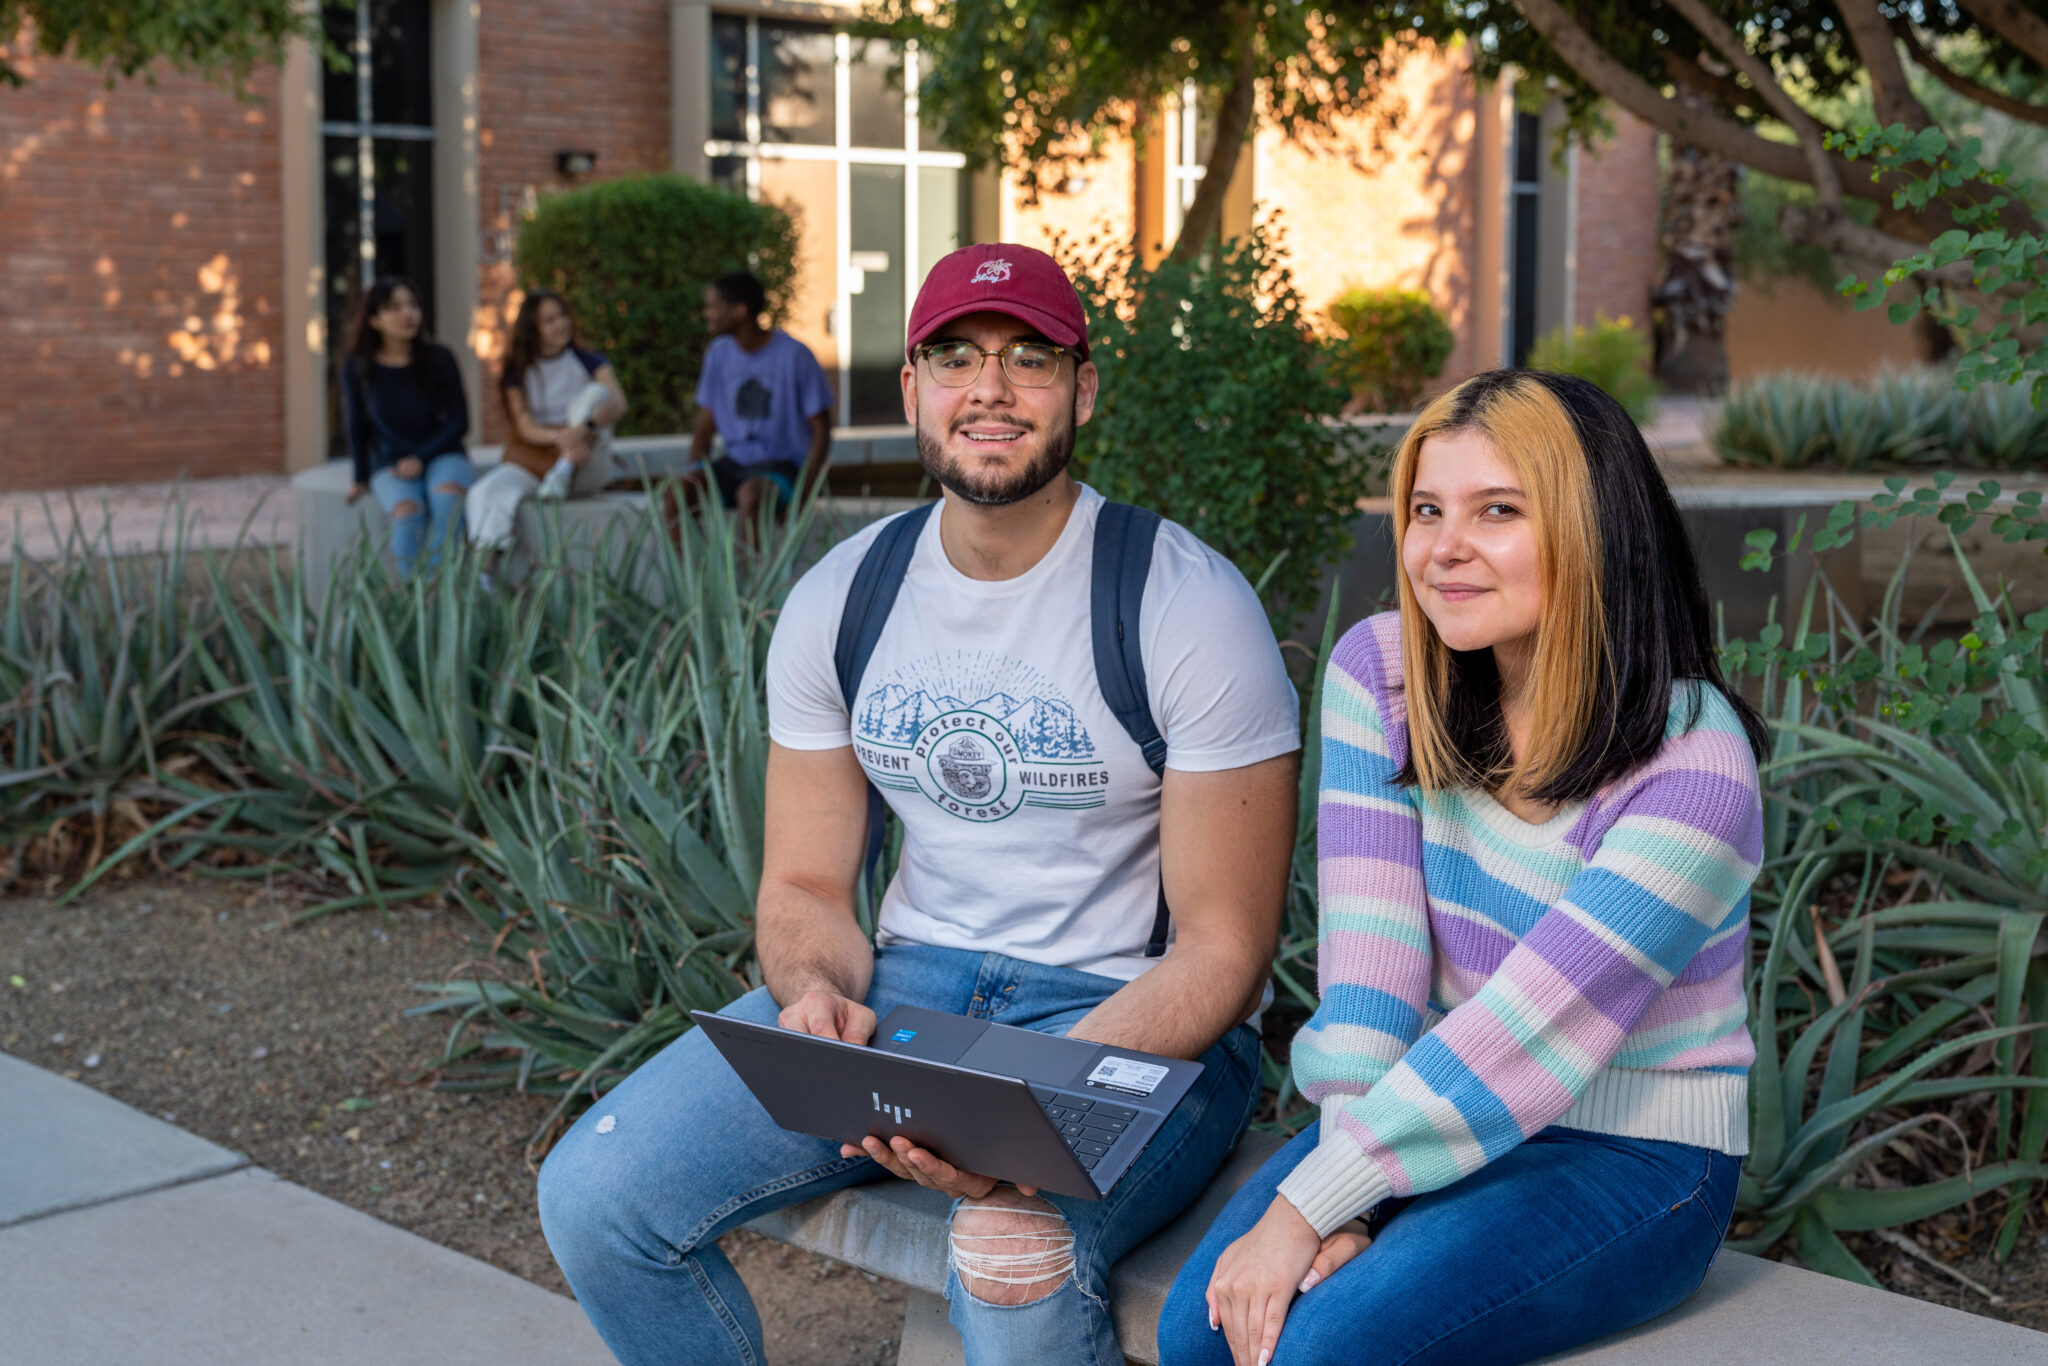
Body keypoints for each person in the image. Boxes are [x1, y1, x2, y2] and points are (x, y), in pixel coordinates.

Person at [536, 244, 1303, 1366]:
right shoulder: (842, 597)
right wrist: (810, 997)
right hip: (909, 992)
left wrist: (1022, 1106)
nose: (987, 389)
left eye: (1026, 357)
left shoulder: (1180, 602)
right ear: (910, 392)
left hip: (1127, 1016)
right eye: (953, 357)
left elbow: (1223, 950)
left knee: (1009, 1253)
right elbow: (803, 885)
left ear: (1081, 388)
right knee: (597, 1191)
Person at [1158, 369, 1771, 1366]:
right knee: (1204, 1334)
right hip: (1424, 1108)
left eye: (1496, 512)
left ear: (1590, 528)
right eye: (1426, 509)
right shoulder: (1382, 674)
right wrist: (1342, 1200)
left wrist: (1312, 1202)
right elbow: (1368, 984)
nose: (1443, 548)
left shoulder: (1693, 763)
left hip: (1631, 1156)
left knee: (1319, 1351)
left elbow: (1521, 1029)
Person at [467, 289, 628, 565]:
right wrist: (562, 437)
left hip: (583, 462)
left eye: (562, 316)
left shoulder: (589, 361)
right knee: (485, 492)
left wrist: (583, 430)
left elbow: (619, 403)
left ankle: (565, 467)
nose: (560, 324)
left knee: (597, 395)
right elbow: (526, 427)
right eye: (549, 320)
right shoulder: (518, 370)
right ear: (533, 328)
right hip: (538, 461)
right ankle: (484, 576)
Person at [339, 276, 474, 576]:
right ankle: (416, 601)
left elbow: (460, 422)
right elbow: (356, 424)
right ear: (374, 320)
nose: (407, 314)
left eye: (412, 305)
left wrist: (420, 458)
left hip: (444, 454)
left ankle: (441, 591)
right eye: (394, 308)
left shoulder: (440, 358)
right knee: (407, 511)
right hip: (389, 461)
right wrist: (360, 477)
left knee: (447, 499)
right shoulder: (358, 366)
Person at [686, 269, 833, 526]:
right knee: (677, 493)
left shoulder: (795, 355)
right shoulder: (718, 354)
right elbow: (705, 424)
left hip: (782, 467)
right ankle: (693, 566)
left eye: (714, 307)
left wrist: (803, 495)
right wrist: (695, 471)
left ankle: (751, 566)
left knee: (751, 496)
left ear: (739, 311)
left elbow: (821, 429)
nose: (707, 314)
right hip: (734, 464)